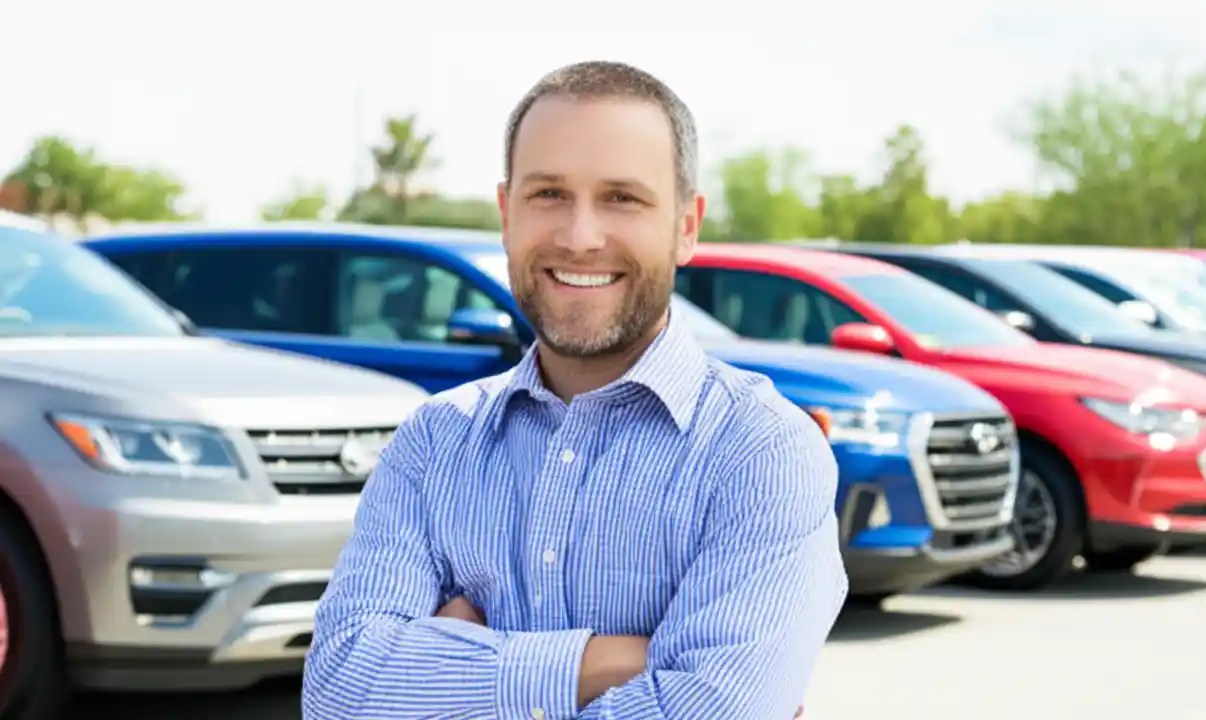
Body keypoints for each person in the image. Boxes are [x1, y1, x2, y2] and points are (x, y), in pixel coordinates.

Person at [301, 60, 848, 720]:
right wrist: (609, 664)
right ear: (507, 214)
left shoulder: (760, 452)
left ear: (687, 226)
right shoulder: (433, 443)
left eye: (622, 197)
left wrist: (454, 672)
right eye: (549, 194)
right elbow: (339, 694)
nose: (580, 236)